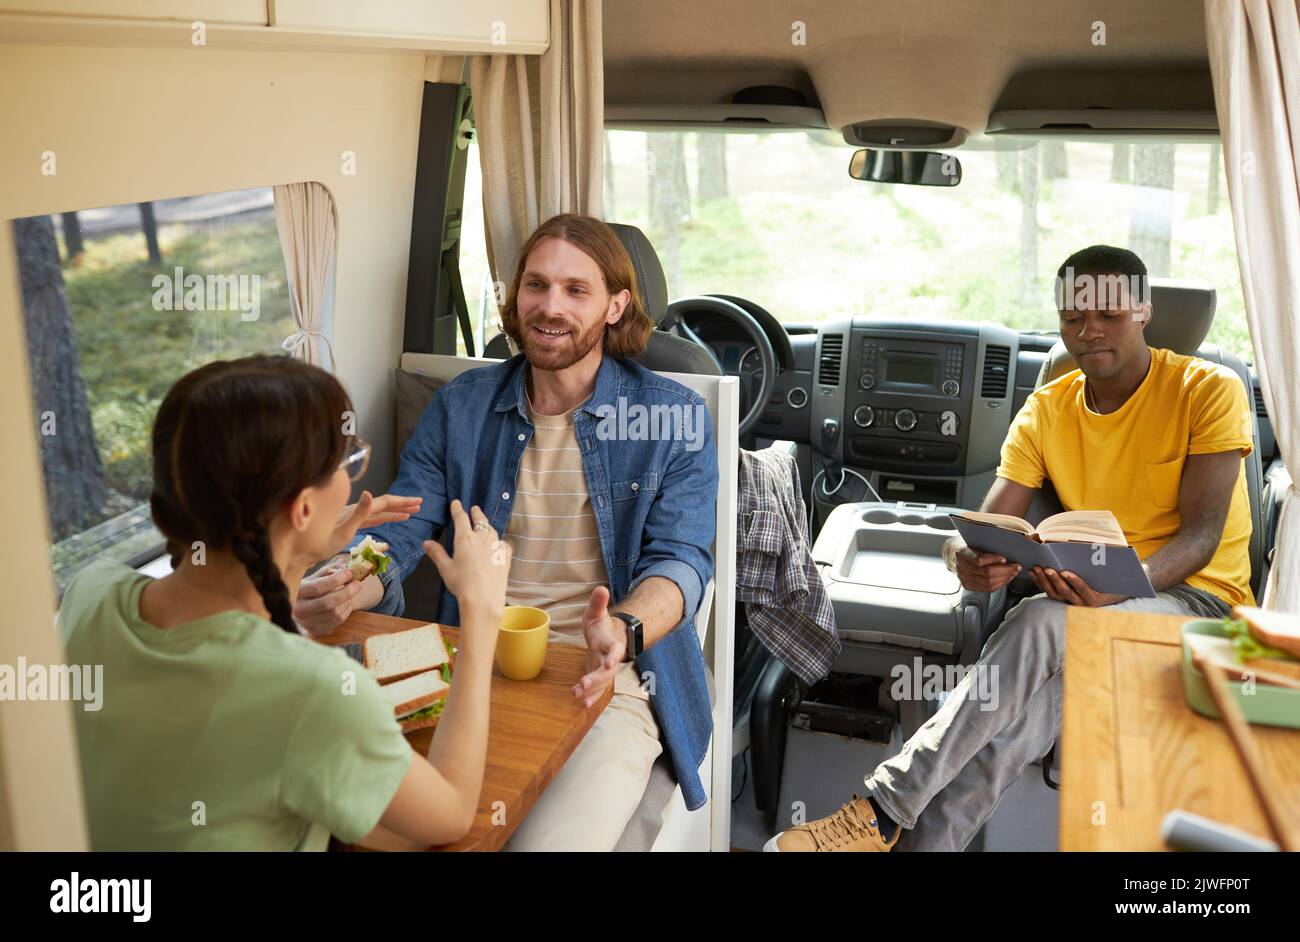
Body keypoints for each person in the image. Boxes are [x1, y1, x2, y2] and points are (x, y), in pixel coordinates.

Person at [768, 245, 1254, 852]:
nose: (1089, 330)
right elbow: (979, 526)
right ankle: (893, 830)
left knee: (1043, 620)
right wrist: (967, 562)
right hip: (1092, 614)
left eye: (1108, 313)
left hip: (1198, 606)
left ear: (1144, 311)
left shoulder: (1207, 389)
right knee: (1007, 734)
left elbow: (1203, 537)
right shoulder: (1047, 407)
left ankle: (882, 806)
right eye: (1073, 317)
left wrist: (1122, 585)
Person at [295, 214, 719, 851]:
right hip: (463, 654)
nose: (550, 307)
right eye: (536, 285)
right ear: (514, 293)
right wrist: (349, 581)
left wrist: (623, 630)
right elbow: (404, 527)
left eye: (577, 290)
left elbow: (682, 561)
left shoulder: (673, 416)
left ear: (616, 306)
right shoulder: (461, 405)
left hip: (605, 675)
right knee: (352, 819)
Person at [58, 355, 511, 850]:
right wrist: (481, 613)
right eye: (348, 459)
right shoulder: (315, 693)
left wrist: (295, 557)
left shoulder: (89, 591)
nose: (355, 476)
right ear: (302, 508)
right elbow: (450, 814)